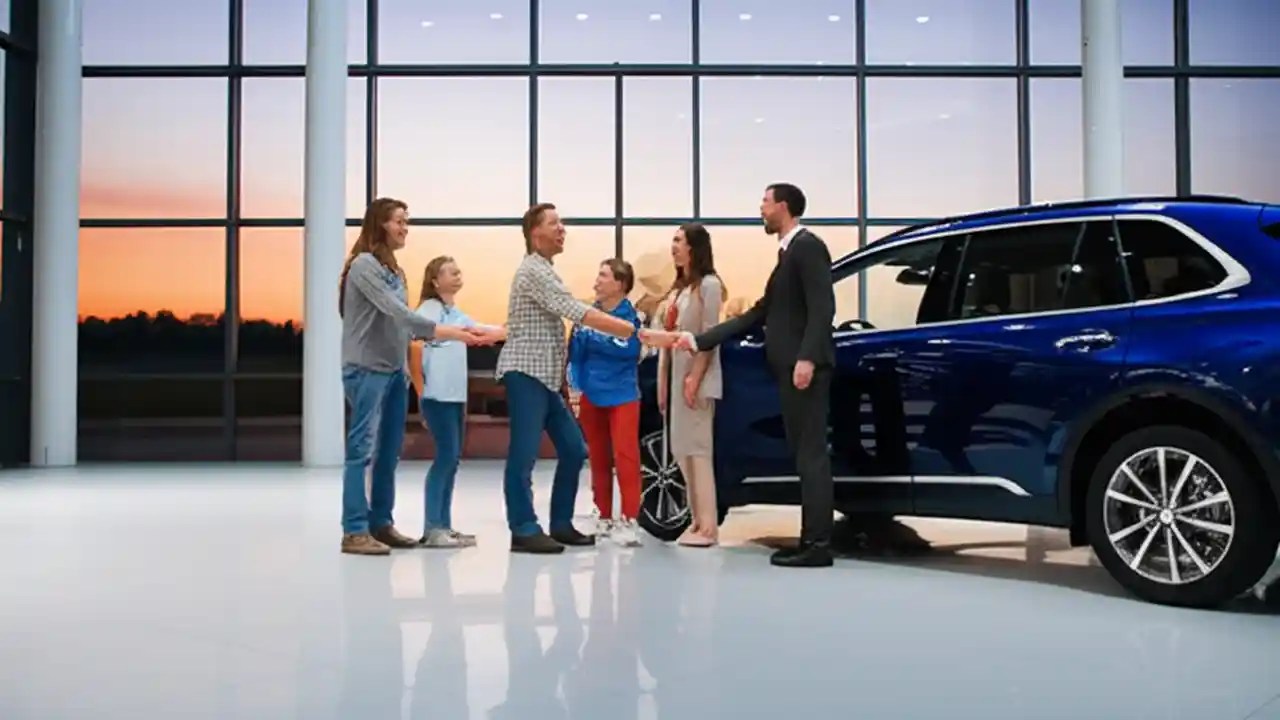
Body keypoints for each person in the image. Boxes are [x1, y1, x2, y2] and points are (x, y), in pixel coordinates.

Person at [643, 184, 836, 567]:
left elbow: (822, 307)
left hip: (802, 369)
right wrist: (698, 340)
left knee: (811, 456)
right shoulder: (788, 254)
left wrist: (807, 357)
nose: (761, 208)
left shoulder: (808, 247)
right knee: (803, 455)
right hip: (787, 368)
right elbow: (758, 313)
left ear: (783, 206)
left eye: (766, 202)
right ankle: (810, 540)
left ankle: (818, 545)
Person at [338, 198, 492, 556]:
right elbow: (399, 314)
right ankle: (354, 530)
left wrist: (406, 371)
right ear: (380, 224)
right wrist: (450, 332)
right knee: (361, 450)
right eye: (399, 221)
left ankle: (381, 524)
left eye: (406, 221)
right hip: (367, 369)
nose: (405, 228)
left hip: (394, 372)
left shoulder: (396, 271)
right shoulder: (363, 265)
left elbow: (401, 329)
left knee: (389, 452)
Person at [497, 202, 637, 554]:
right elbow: (573, 310)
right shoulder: (533, 271)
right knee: (523, 455)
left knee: (574, 450)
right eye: (554, 223)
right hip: (525, 372)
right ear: (535, 234)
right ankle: (523, 528)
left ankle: (560, 523)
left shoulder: (546, 270)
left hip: (545, 379)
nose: (562, 229)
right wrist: (628, 329)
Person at [409, 255, 503, 549]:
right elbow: (414, 352)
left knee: (452, 459)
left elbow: (479, 332)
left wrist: (510, 329)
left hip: (455, 397)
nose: (458, 275)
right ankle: (432, 528)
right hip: (436, 397)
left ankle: (444, 526)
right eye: (451, 272)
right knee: (445, 458)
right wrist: (421, 394)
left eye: (458, 271)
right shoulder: (428, 310)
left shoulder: (456, 313)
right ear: (435, 281)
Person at [568, 259, 645, 547]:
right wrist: (574, 387)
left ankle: (630, 518)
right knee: (598, 456)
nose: (597, 281)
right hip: (591, 393)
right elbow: (575, 355)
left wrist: (598, 335)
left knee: (626, 456)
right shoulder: (586, 316)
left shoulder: (633, 318)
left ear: (620, 284)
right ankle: (603, 514)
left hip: (623, 394)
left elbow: (630, 349)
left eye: (603, 276)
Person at [657, 223, 725, 547]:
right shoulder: (680, 290)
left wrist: (694, 378)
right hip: (677, 378)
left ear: (694, 247)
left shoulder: (709, 286)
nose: (674, 247)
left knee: (698, 451)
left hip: (697, 381)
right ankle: (696, 521)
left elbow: (709, 336)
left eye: (679, 241)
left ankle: (708, 526)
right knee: (681, 449)